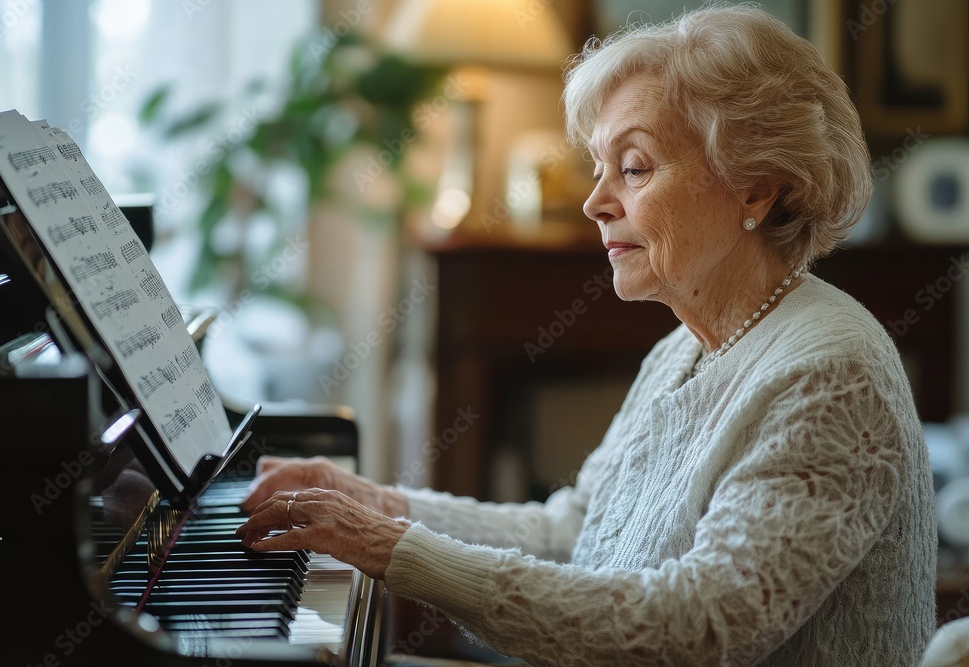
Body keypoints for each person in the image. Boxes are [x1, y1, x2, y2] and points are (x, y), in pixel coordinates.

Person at [235, 5, 937, 665]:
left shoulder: (830, 372)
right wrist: (377, 504)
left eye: (633, 168)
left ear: (755, 186)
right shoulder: (688, 348)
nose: (595, 202)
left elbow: (700, 626)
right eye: (601, 168)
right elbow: (573, 531)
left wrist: (394, 549)